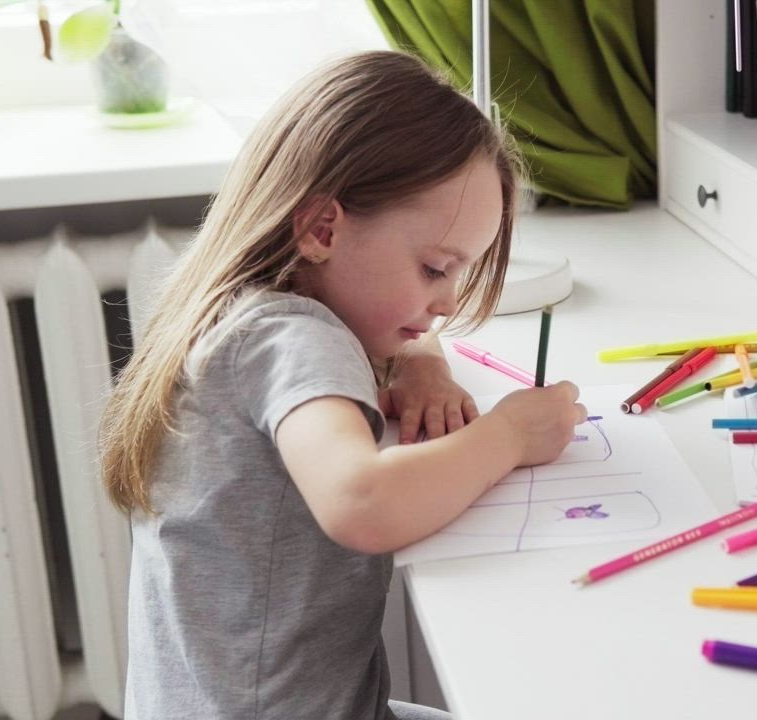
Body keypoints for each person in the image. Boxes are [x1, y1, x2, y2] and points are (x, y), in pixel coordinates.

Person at [100, 51, 586, 720]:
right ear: (324, 227)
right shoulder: (294, 336)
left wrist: (422, 364)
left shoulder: (248, 305)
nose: (445, 303)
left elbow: (406, 328)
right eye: (436, 269)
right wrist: (509, 435)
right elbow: (362, 501)